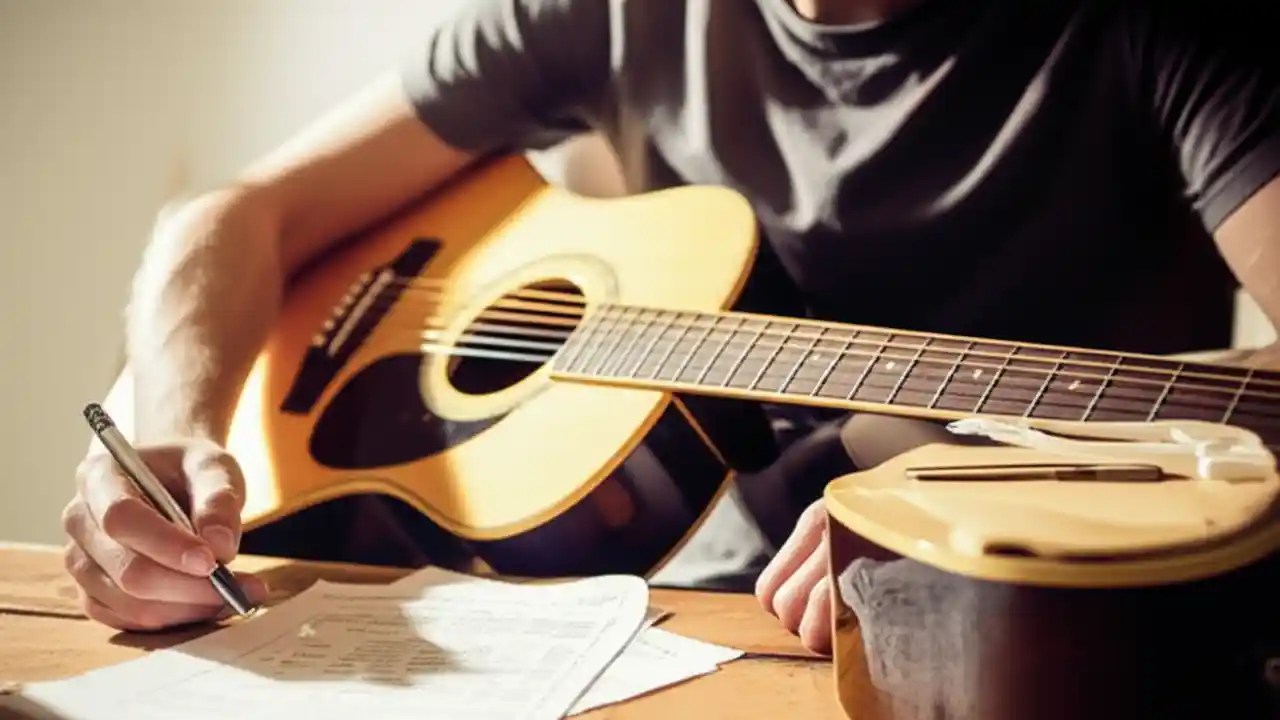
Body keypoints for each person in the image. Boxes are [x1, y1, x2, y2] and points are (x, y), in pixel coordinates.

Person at [61, 0, 1280, 654]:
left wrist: (961, 478)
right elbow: (230, 218)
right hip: (644, 601)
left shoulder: (1162, 28)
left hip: (1036, 628)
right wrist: (171, 436)